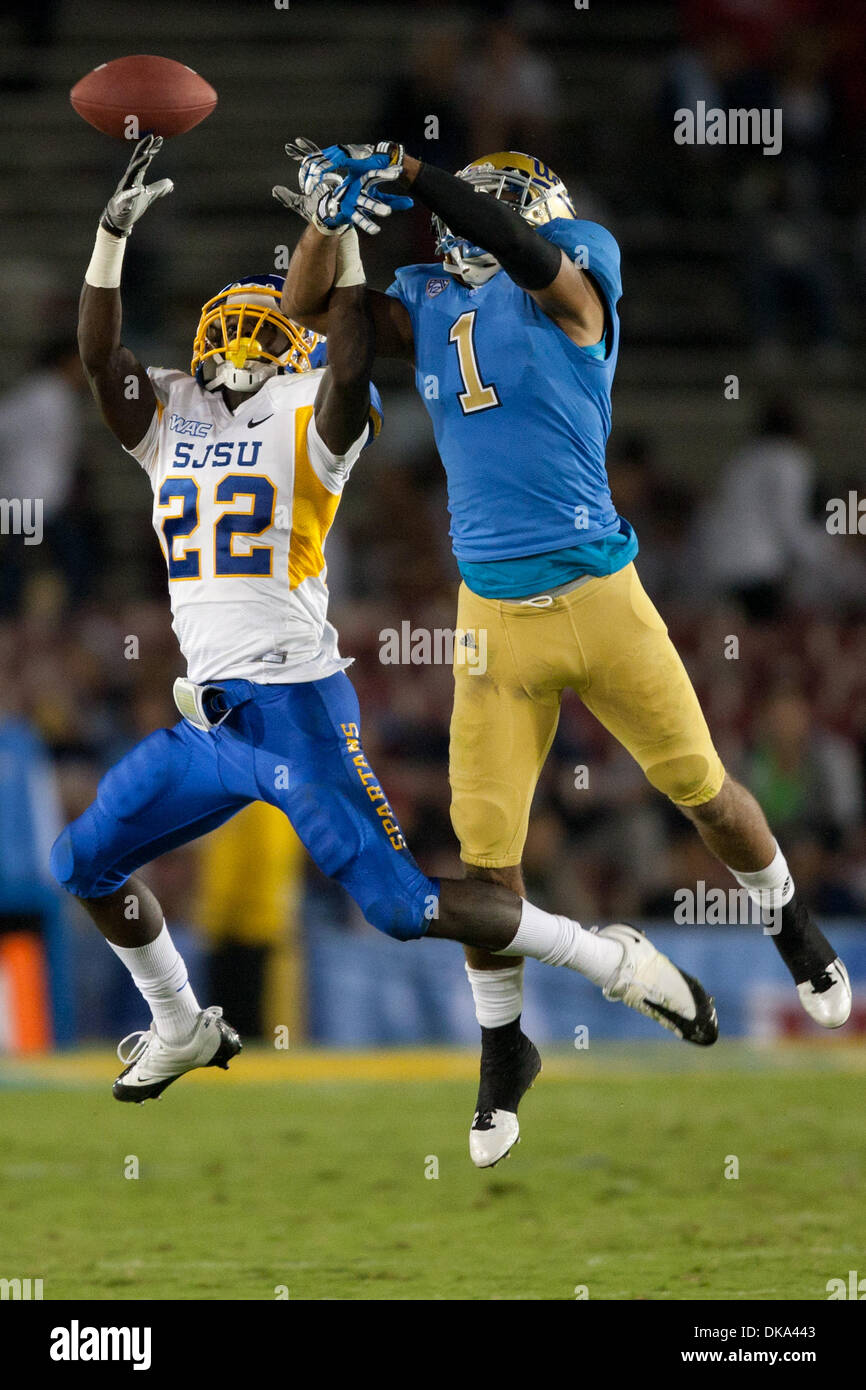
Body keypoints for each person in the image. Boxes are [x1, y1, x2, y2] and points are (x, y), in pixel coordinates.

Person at [49, 137, 718, 1118]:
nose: (238, 340)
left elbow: (350, 347)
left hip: (293, 715)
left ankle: (608, 956)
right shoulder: (169, 418)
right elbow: (99, 357)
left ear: (291, 339)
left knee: (403, 907)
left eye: (257, 324)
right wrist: (109, 242)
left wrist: (336, 236)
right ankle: (182, 1024)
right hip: (212, 723)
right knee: (81, 860)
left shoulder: (314, 408)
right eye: (224, 325)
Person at [279, 138, 852, 1167]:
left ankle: (790, 926)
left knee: (703, 790)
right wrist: (324, 216)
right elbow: (308, 309)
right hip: (493, 620)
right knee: (484, 862)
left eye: (489, 214)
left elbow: (515, 242)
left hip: (600, 598)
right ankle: (503, 1051)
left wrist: (413, 176)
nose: (481, 228)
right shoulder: (433, 294)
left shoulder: (572, 278)